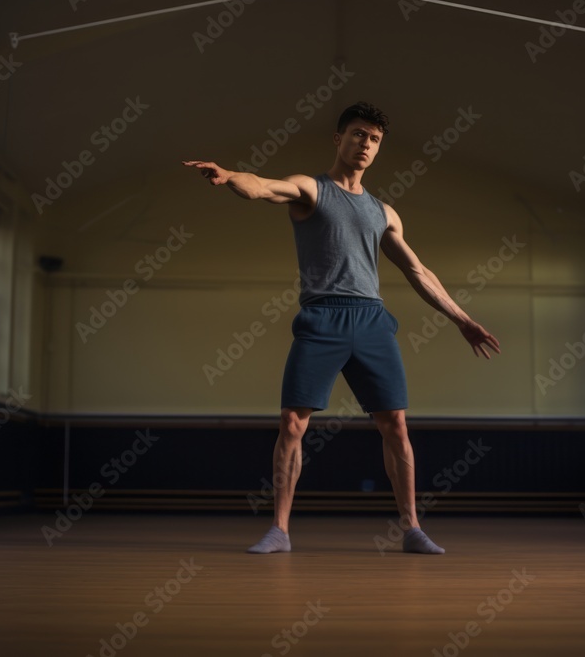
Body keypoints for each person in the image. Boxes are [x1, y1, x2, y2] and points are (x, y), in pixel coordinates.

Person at [184, 101, 499, 555]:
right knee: (292, 424)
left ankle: (411, 528)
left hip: (372, 320)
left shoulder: (384, 212)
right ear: (339, 138)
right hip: (322, 319)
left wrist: (462, 320)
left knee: (396, 426)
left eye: (374, 139)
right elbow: (263, 188)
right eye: (358, 134)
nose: (365, 144)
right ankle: (279, 530)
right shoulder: (311, 188)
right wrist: (231, 177)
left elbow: (418, 271)